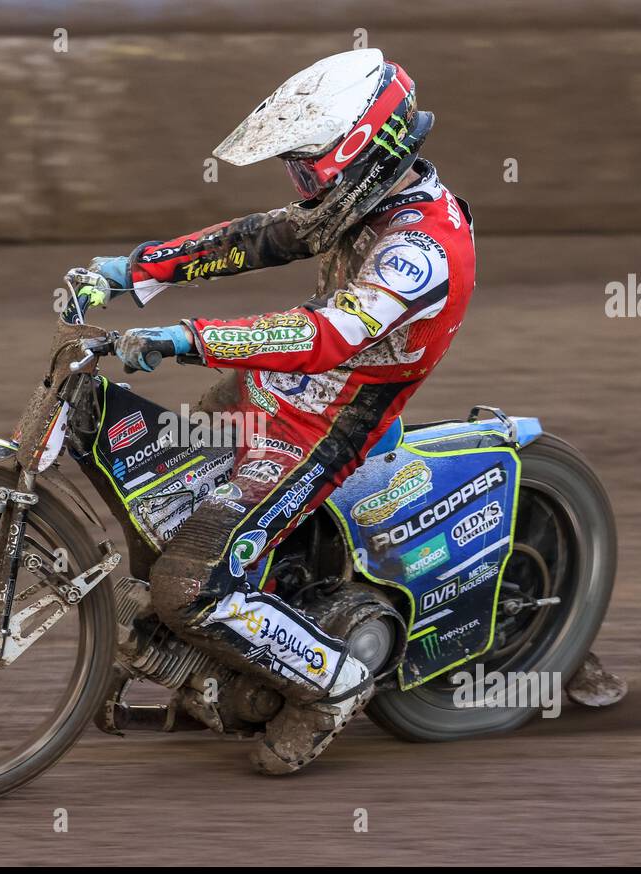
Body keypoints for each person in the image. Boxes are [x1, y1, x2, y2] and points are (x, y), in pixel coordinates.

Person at [82, 49, 476, 774]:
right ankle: (214, 655)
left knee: (187, 585)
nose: (300, 184)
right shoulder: (365, 198)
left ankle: (332, 686)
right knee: (157, 502)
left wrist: (186, 338)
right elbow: (256, 238)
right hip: (264, 390)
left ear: (361, 152)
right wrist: (136, 270)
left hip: (326, 430)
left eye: (307, 166)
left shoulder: (421, 250)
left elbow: (326, 337)